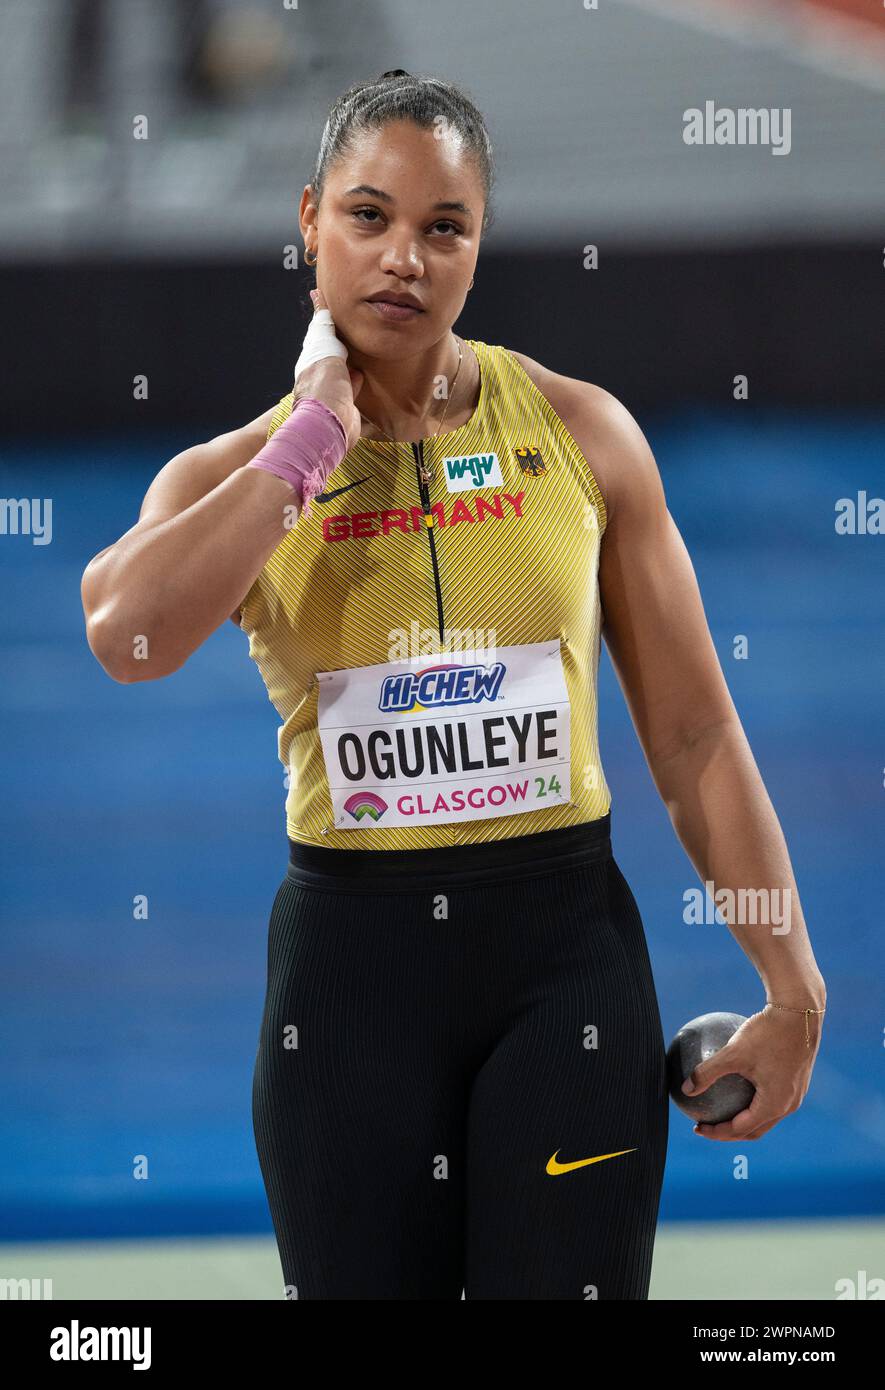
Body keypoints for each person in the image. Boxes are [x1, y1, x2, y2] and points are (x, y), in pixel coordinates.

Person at [81, 69, 827, 1300]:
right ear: (308, 219)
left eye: (445, 227)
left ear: (481, 245)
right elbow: (129, 635)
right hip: (350, 993)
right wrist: (309, 443)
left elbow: (694, 736)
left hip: (566, 970)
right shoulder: (230, 473)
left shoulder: (585, 438)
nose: (404, 259)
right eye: (368, 217)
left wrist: (791, 986)